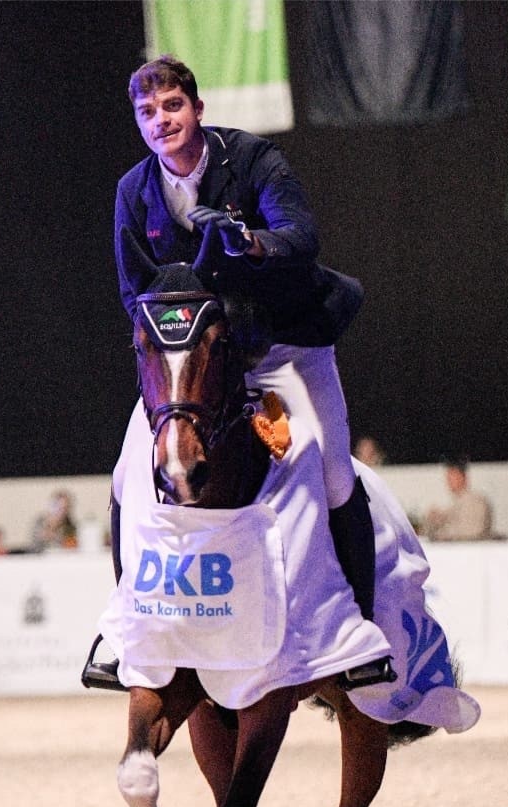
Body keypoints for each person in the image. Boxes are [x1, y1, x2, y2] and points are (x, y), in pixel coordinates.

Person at [103, 54, 389, 690]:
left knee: (333, 470)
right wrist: (173, 348)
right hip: (198, 360)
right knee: (126, 478)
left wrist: (248, 239)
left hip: (283, 345)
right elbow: (132, 292)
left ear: (197, 109)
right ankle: (125, 632)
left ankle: (359, 633)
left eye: (172, 106)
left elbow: (302, 236)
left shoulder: (254, 159)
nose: (161, 120)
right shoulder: (134, 190)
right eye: (147, 112)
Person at [423, 459, 493, 542]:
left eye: (452, 476)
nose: (449, 482)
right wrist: (436, 520)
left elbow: (470, 533)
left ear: (463, 477)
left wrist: (440, 533)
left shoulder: (474, 500)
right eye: (448, 478)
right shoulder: (457, 503)